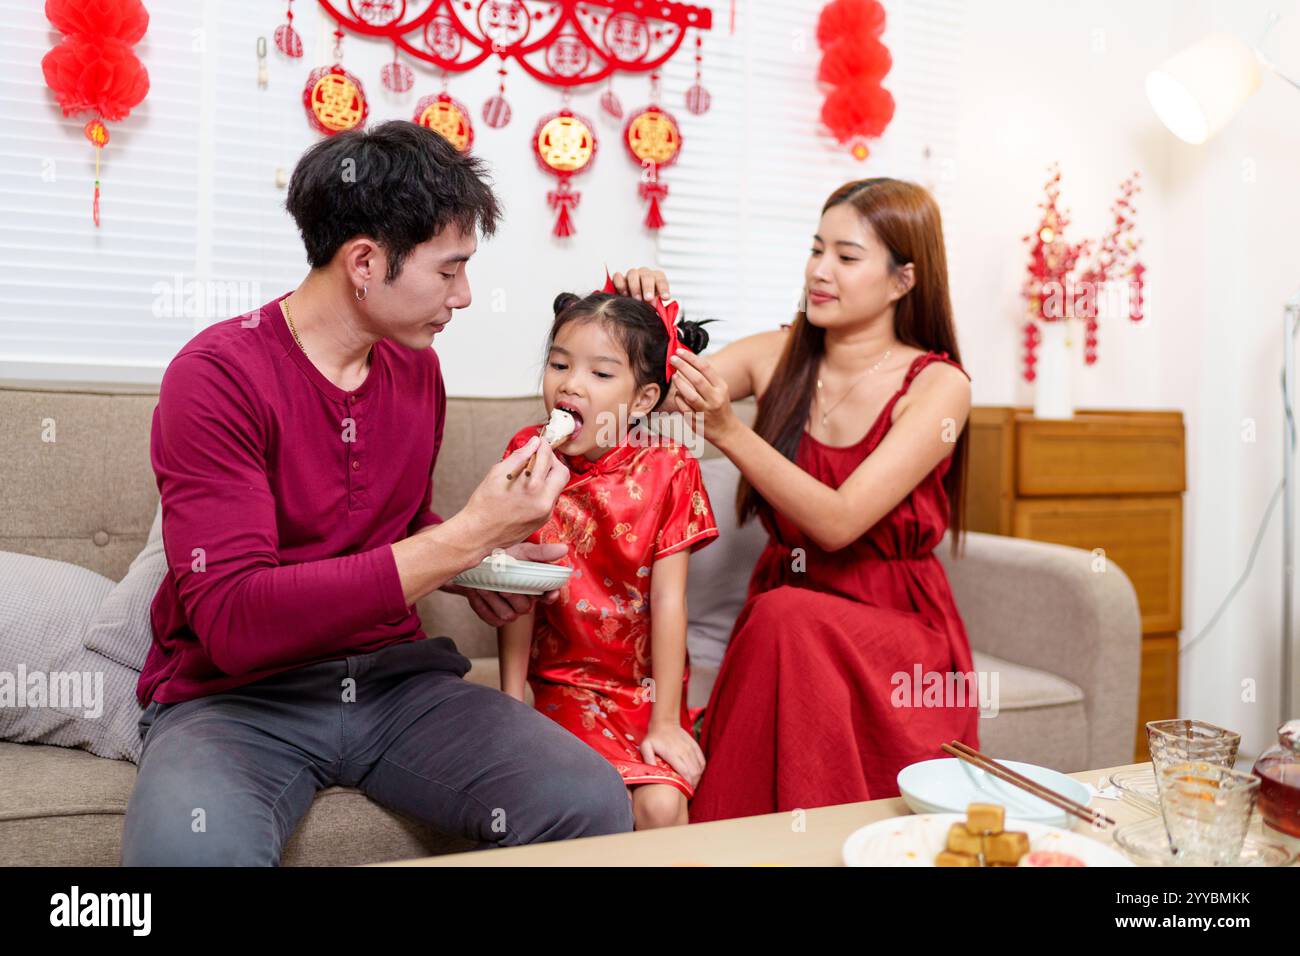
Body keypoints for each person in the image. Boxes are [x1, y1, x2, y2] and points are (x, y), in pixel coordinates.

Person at [121, 121, 655, 865]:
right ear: (366, 263)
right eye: (449, 270)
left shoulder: (416, 368)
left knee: (588, 799)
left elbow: (394, 526)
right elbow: (235, 620)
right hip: (238, 700)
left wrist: (477, 566)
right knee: (187, 853)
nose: (464, 296)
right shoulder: (217, 377)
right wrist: (464, 537)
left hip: (394, 685)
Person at [613, 177, 981, 821]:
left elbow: (838, 523)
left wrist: (729, 430)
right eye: (816, 249)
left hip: (893, 630)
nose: (819, 271)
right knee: (783, 616)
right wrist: (642, 320)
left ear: (903, 280)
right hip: (785, 615)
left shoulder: (940, 385)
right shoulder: (776, 353)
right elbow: (651, 397)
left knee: (784, 616)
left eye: (846, 256)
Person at [496, 283, 718, 829]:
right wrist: (510, 702)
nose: (571, 384)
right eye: (559, 365)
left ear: (641, 400)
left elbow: (669, 601)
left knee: (662, 806)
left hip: (645, 692)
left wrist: (665, 722)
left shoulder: (670, 467)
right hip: (563, 683)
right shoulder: (528, 454)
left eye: (600, 373)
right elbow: (517, 587)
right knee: (596, 801)